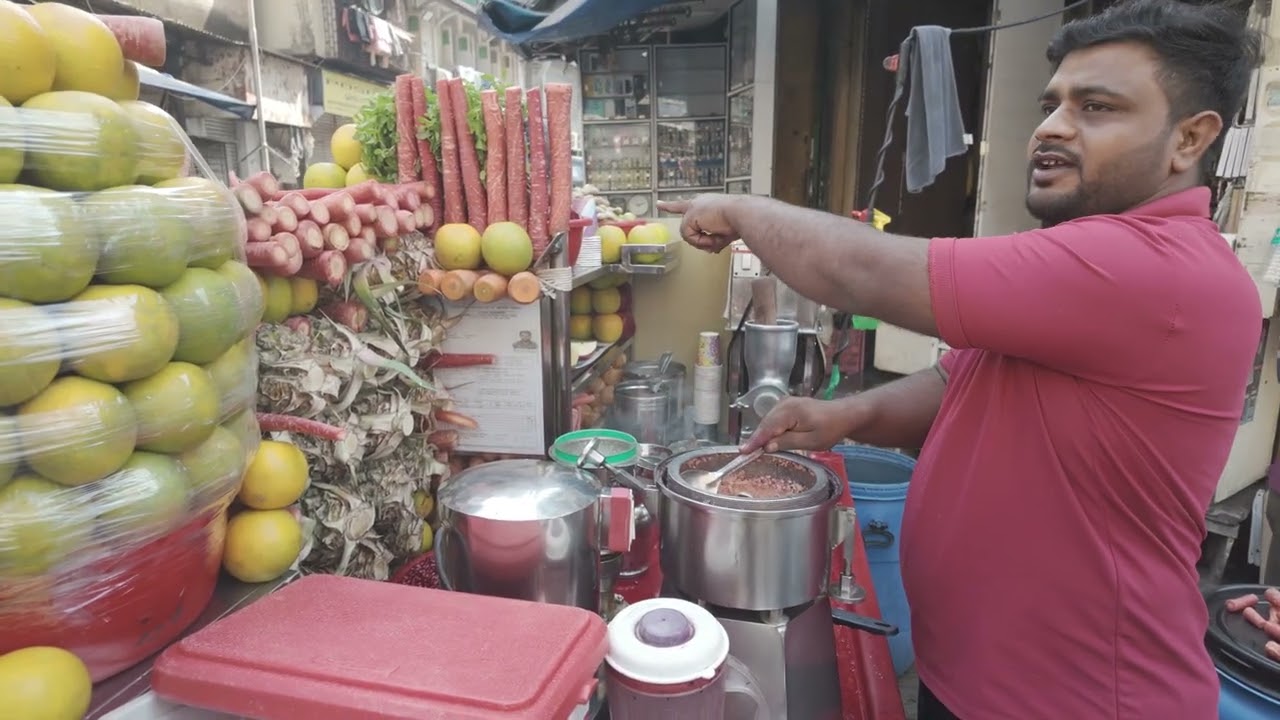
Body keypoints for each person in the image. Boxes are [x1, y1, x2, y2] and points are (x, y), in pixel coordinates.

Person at [659, 1, 1263, 718]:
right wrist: (843, 415)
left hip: (1074, 701)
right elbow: (963, 379)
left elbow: (866, 275)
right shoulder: (1092, 258)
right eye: (1052, 104)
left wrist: (742, 210)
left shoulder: (1155, 268)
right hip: (978, 678)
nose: (1052, 127)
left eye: (1097, 107)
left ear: (1189, 138)